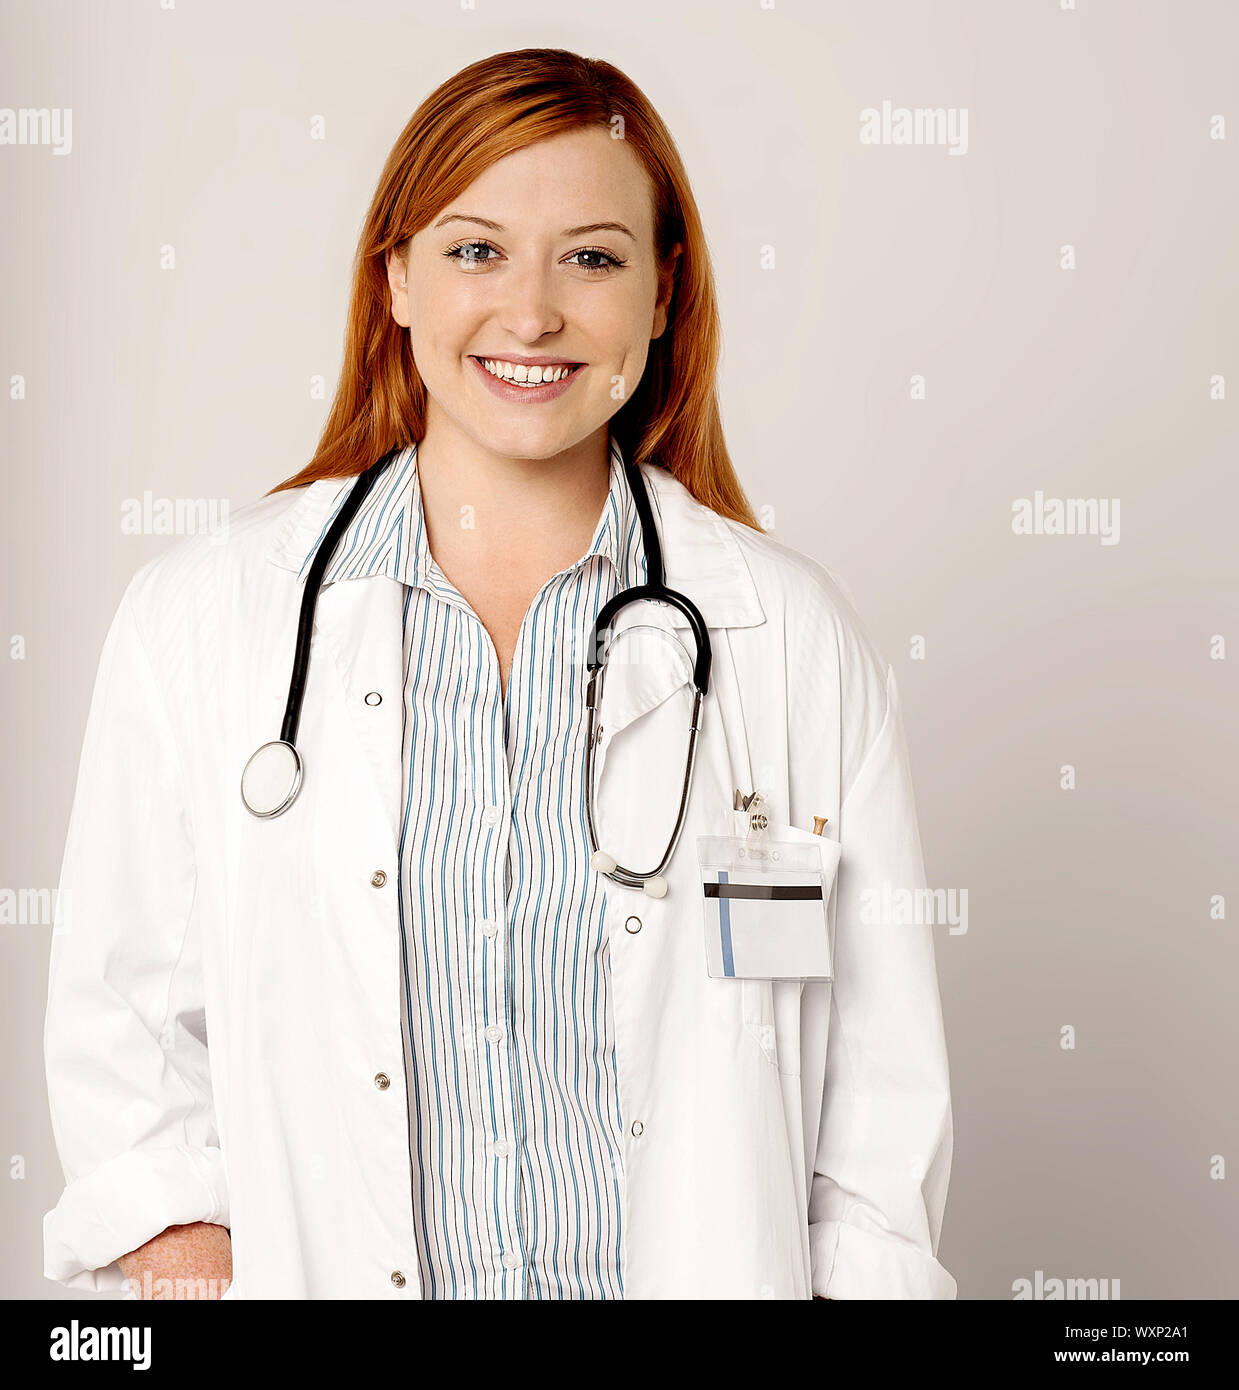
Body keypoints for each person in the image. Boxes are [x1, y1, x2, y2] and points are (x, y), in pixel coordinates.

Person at [43, 47, 957, 1300]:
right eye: (476, 250)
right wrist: (182, 1260)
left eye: (591, 256)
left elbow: (874, 1104)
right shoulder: (204, 624)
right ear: (397, 279)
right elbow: (122, 1030)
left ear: (660, 295)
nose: (532, 314)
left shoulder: (784, 640)